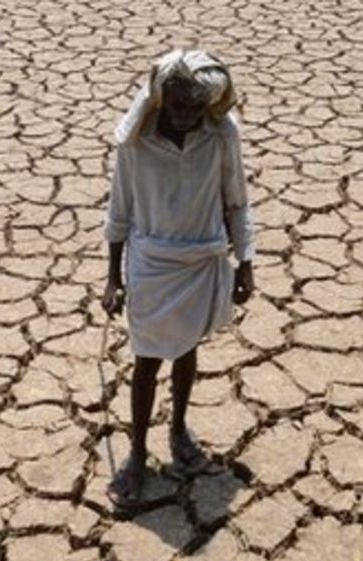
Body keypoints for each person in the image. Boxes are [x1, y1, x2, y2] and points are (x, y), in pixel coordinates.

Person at [100, 48, 256, 508]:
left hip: (201, 259)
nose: (187, 114)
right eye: (178, 104)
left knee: (187, 348)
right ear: (160, 99)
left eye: (195, 105)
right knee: (146, 361)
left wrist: (245, 262)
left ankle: (179, 430)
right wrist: (113, 278)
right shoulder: (136, 141)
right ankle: (136, 454)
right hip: (152, 263)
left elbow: (237, 201)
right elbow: (120, 211)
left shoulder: (222, 134)